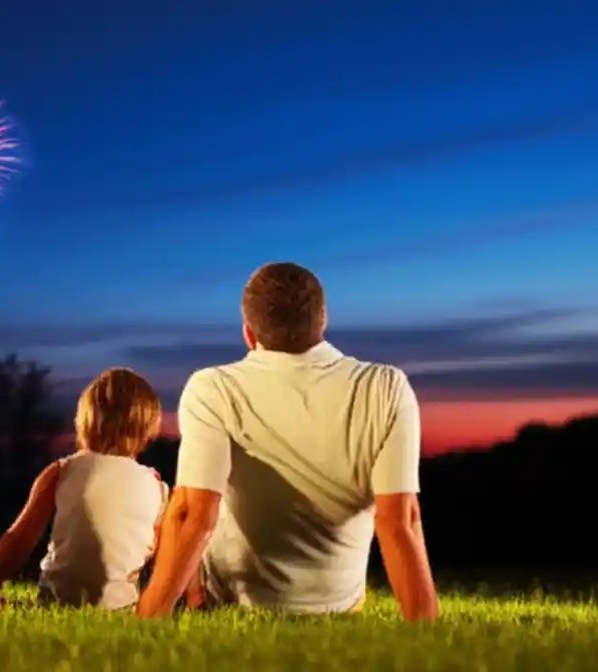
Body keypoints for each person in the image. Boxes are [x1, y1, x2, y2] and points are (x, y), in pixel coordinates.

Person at [136, 262, 438, 621]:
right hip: (340, 604)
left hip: (231, 599)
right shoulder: (387, 387)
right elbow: (400, 520)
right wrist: (425, 626)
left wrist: (149, 616)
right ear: (323, 319)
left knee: (174, 505)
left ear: (249, 333)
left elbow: (193, 515)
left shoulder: (213, 388)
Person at [0, 368, 168, 610]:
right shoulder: (155, 485)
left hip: (55, 601)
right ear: (147, 429)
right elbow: (164, 558)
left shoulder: (61, 471)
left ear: (85, 419)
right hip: (120, 606)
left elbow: (19, 539)